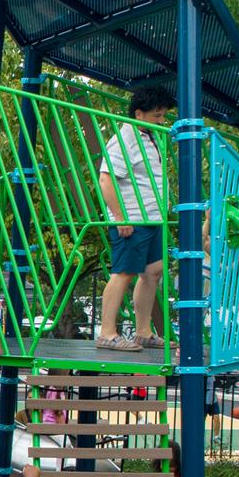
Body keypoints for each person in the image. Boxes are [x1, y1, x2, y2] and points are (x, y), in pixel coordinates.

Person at [94, 88, 174, 352]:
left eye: (163, 114)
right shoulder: (125, 138)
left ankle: (143, 332)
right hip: (133, 219)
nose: (161, 120)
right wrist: (120, 218)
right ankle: (107, 333)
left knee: (153, 271)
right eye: (156, 115)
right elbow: (105, 179)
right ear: (139, 113)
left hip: (152, 219)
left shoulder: (151, 136)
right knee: (124, 272)